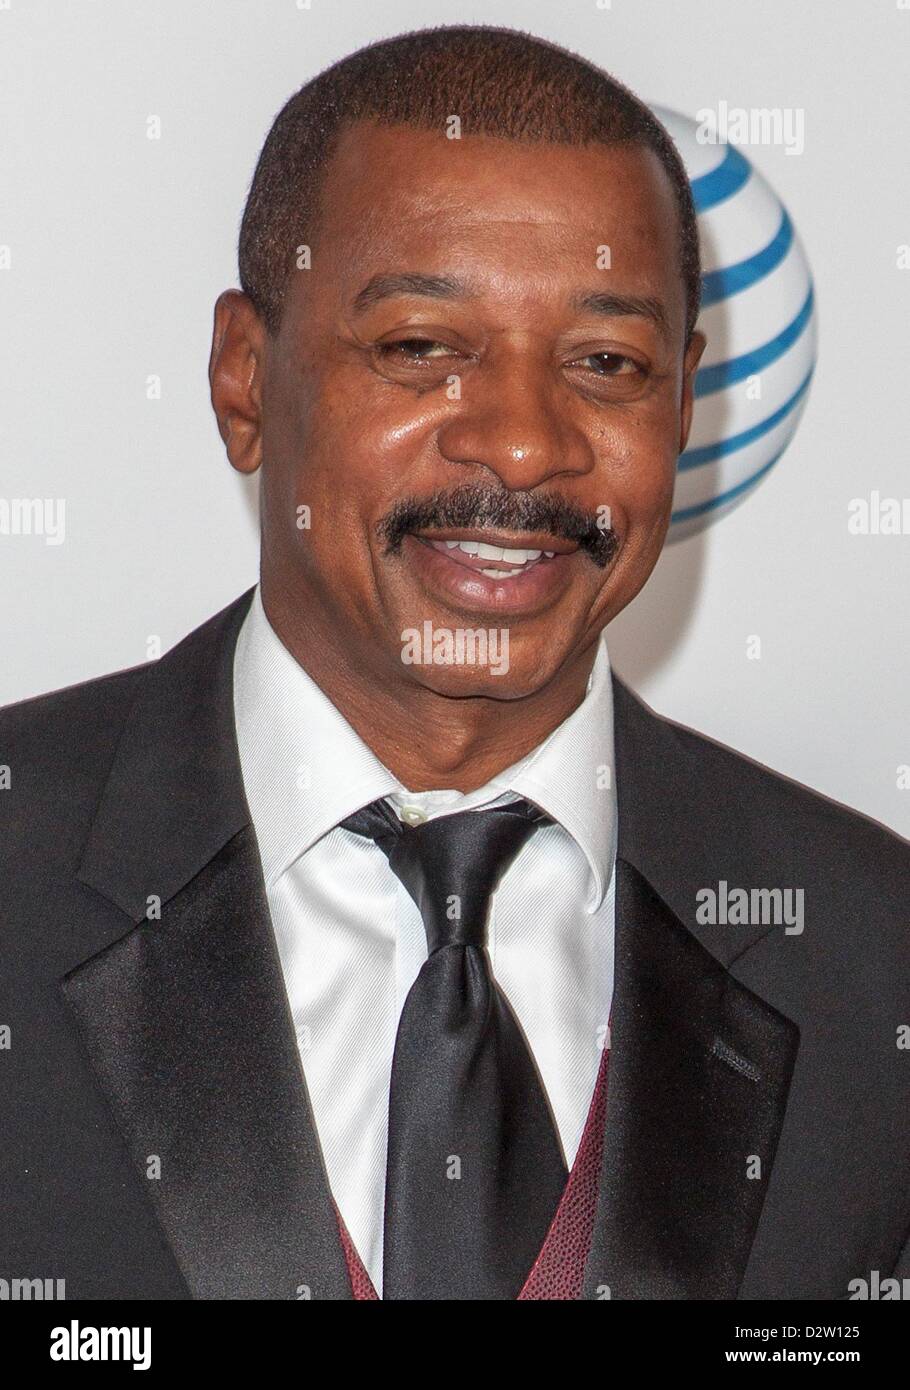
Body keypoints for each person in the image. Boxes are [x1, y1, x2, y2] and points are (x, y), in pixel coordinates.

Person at [2, 25, 908, 1301]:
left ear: (684, 405)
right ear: (245, 379)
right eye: (424, 347)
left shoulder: (873, 954)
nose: (526, 447)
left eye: (606, 364)